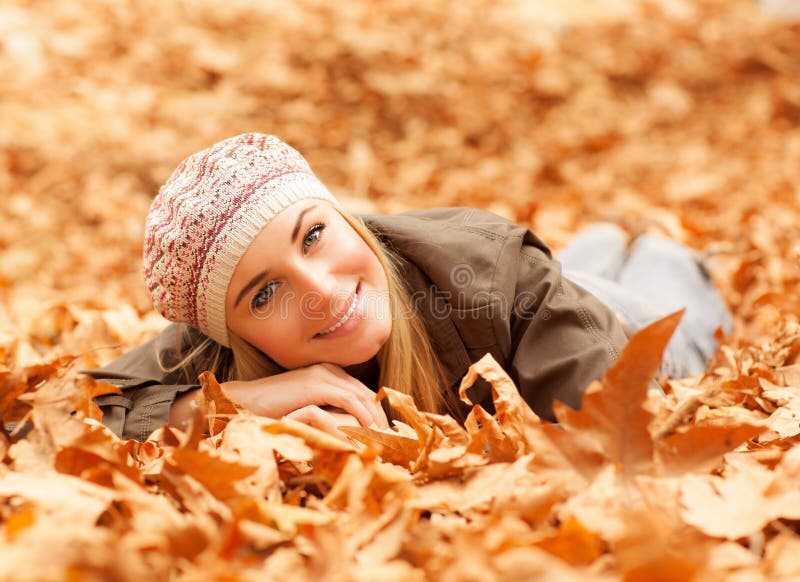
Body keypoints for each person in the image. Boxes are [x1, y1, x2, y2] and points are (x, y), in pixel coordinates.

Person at [88, 133, 732, 442]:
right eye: (263, 294)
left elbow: (624, 436)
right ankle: (600, 241)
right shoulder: (212, 354)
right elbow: (47, 416)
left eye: (312, 236)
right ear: (230, 332)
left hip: (606, 320)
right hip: (540, 297)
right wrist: (240, 401)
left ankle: (652, 245)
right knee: (587, 254)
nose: (318, 290)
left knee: (667, 283)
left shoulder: (491, 270)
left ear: (345, 217)